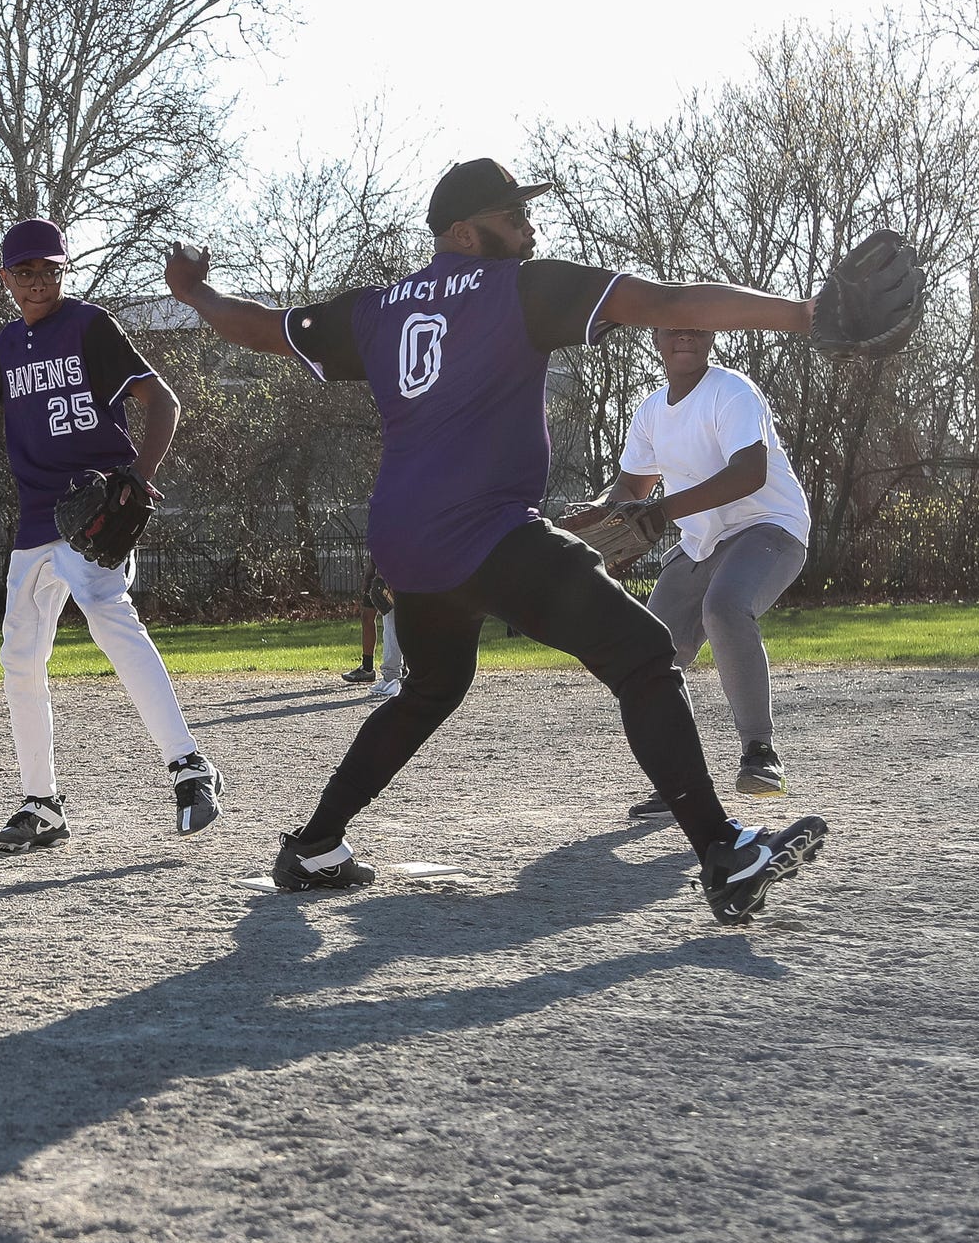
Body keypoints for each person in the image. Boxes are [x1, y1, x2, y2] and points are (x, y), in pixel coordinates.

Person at [163, 158, 827, 924]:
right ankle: (724, 853)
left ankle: (314, 846)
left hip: (406, 541)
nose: (529, 226)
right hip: (485, 530)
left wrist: (195, 294)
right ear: (464, 233)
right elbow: (672, 301)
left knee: (429, 689)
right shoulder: (521, 287)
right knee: (643, 655)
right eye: (513, 215)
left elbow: (264, 328)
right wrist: (806, 314)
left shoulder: (378, 309)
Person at [0, 218, 222, 852]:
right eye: (24, 271)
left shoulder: (88, 324)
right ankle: (42, 803)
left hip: (89, 511)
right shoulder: (7, 345)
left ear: (63, 270)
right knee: (20, 660)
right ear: (5, 279)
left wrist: (140, 474)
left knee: (110, 618)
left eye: (49, 268)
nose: (38, 280)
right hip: (34, 523)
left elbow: (163, 402)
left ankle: (190, 768)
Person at [572, 328, 808, 814]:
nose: (685, 335)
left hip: (769, 527)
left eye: (697, 325)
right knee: (650, 649)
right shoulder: (651, 411)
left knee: (724, 608)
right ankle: (678, 779)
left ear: (711, 336)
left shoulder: (733, 391)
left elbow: (749, 474)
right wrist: (588, 517)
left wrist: (662, 511)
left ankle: (759, 753)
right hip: (701, 543)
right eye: (673, 327)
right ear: (655, 340)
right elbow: (632, 488)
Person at [344, 564, 405, 698]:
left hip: (398, 573)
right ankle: (387, 673)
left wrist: (386, 574)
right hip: (403, 572)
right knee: (396, 623)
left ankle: (391, 678)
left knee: (392, 623)